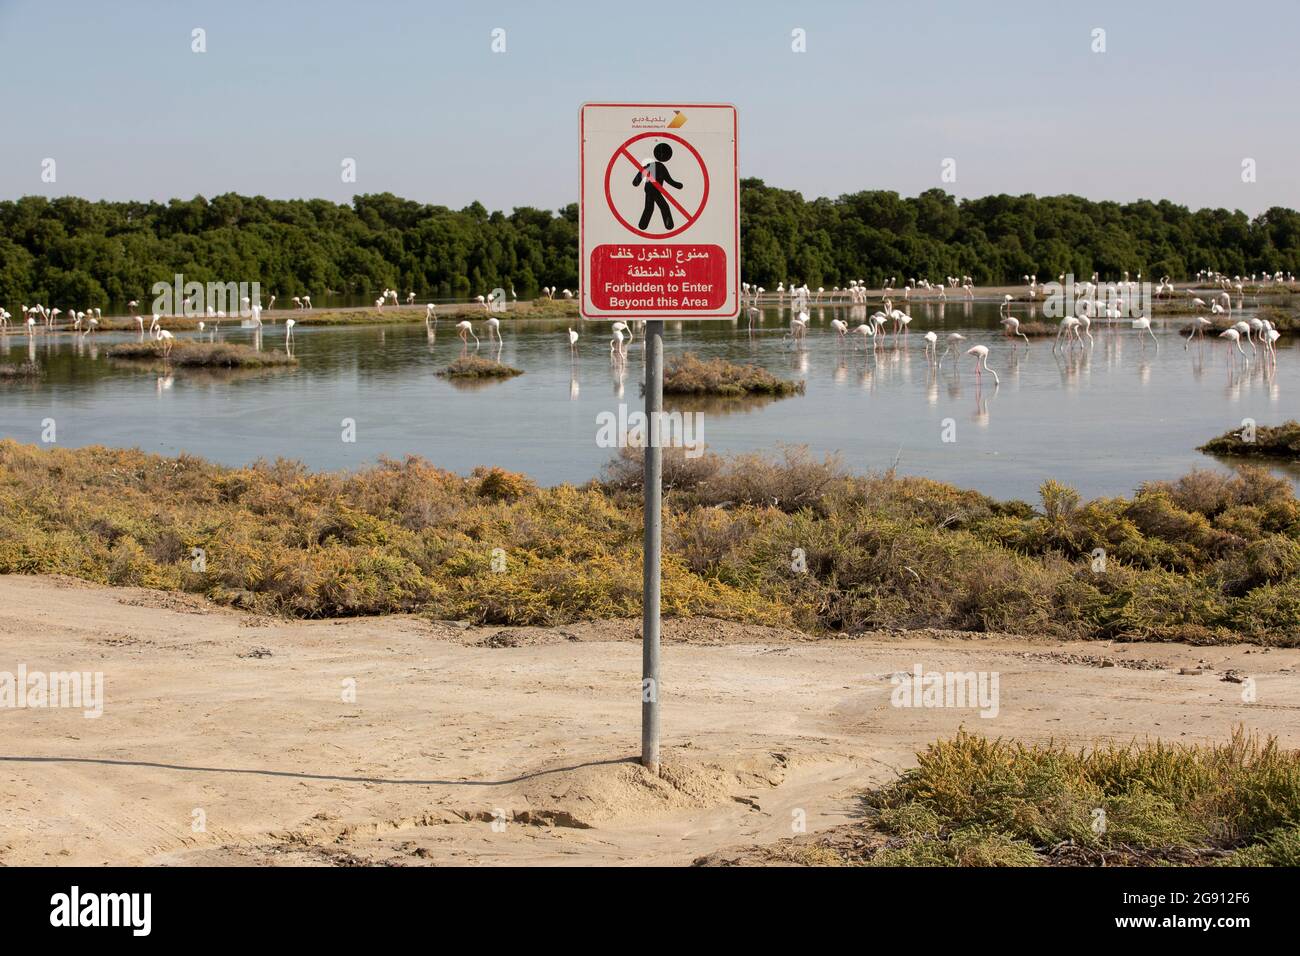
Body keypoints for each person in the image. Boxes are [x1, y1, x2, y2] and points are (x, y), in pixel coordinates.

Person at [633, 142, 683, 231]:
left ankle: (643, 225)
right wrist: (678, 185)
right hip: (655, 190)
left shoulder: (651, 165)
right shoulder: (660, 167)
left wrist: (636, 182)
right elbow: (669, 180)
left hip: (649, 189)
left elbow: (641, 173)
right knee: (664, 207)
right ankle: (668, 225)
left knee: (649, 207)